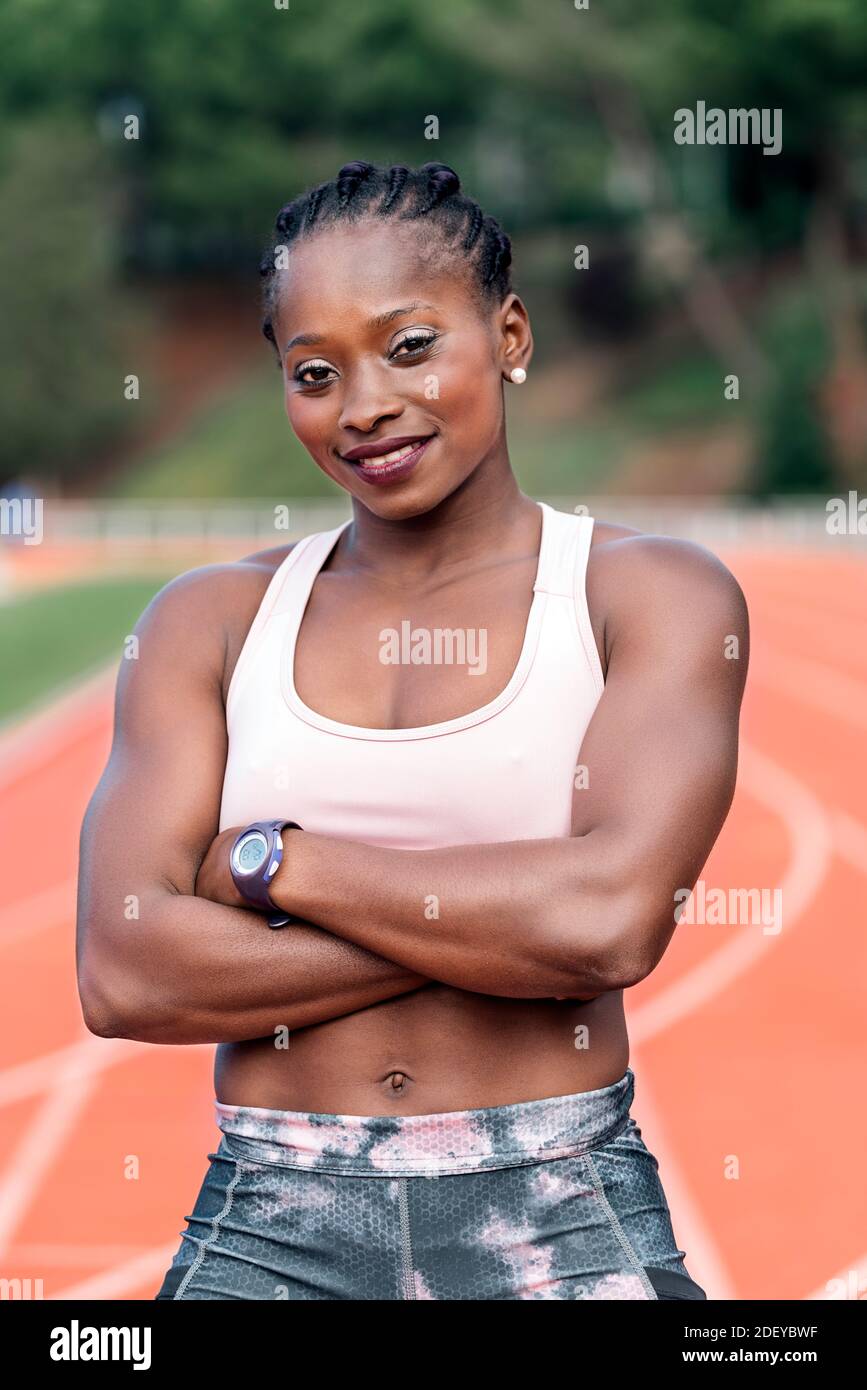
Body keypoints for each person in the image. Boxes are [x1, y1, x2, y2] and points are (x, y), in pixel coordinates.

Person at [76, 160, 748, 1300]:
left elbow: (610, 924)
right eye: (315, 372)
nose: (365, 406)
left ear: (512, 333)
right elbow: (127, 973)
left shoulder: (646, 596)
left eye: (410, 345)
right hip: (269, 1225)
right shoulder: (209, 621)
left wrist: (273, 862)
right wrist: (500, 936)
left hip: (562, 1212)